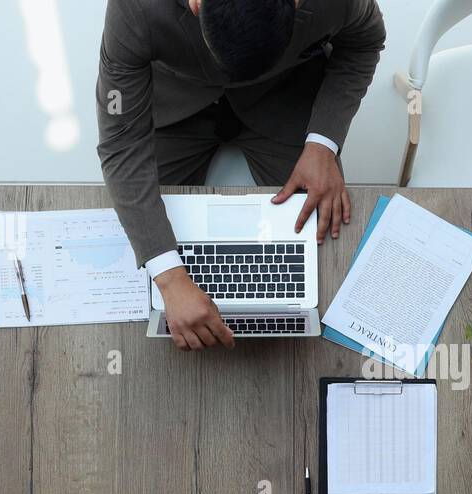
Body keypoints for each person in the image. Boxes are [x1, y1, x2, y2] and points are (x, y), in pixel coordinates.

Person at [96, 0, 385, 351]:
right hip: (176, 102)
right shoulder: (134, 9)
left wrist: (324, 143)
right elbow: (122, 143)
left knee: (328, 259)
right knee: (140, 260)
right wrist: (171, 280)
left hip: (282, 94)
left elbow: (364, 42)